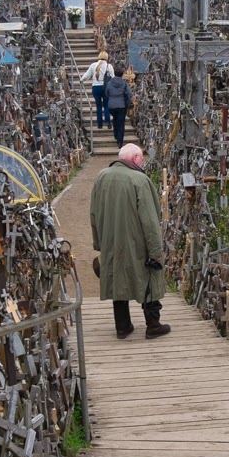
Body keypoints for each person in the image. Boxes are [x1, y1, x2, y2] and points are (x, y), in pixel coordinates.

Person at [90, 143, 170, 339]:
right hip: (137, 243)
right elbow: (150, 220)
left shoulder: (102, 177)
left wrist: (99, 242)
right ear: (134, 159)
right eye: (141, 159)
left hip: (111, 241)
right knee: (150, 277)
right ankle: (153, 325)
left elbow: (94, 212)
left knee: (118, 280)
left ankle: (123, 326)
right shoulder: (140, 180)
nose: (142, 163)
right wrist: (156, 252)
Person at [79, 51, 114, 130]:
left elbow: (87, 75)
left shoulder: (93, 65)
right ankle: (108, 122)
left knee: (98, 106)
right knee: (106, 106)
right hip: (106, 88)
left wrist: (82, 80)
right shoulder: (109, 66)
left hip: (96, 87)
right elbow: (113, 77)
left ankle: (99, 124)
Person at [104, 65, 133, 146]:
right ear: (122, 75)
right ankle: (120, 141)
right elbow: (129, 93)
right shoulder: (124, 83)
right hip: (121, 105)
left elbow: (107, 93)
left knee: (115, 119)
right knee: (121, 123)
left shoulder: (109, 83)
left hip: (111, 105)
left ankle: (116, 134)